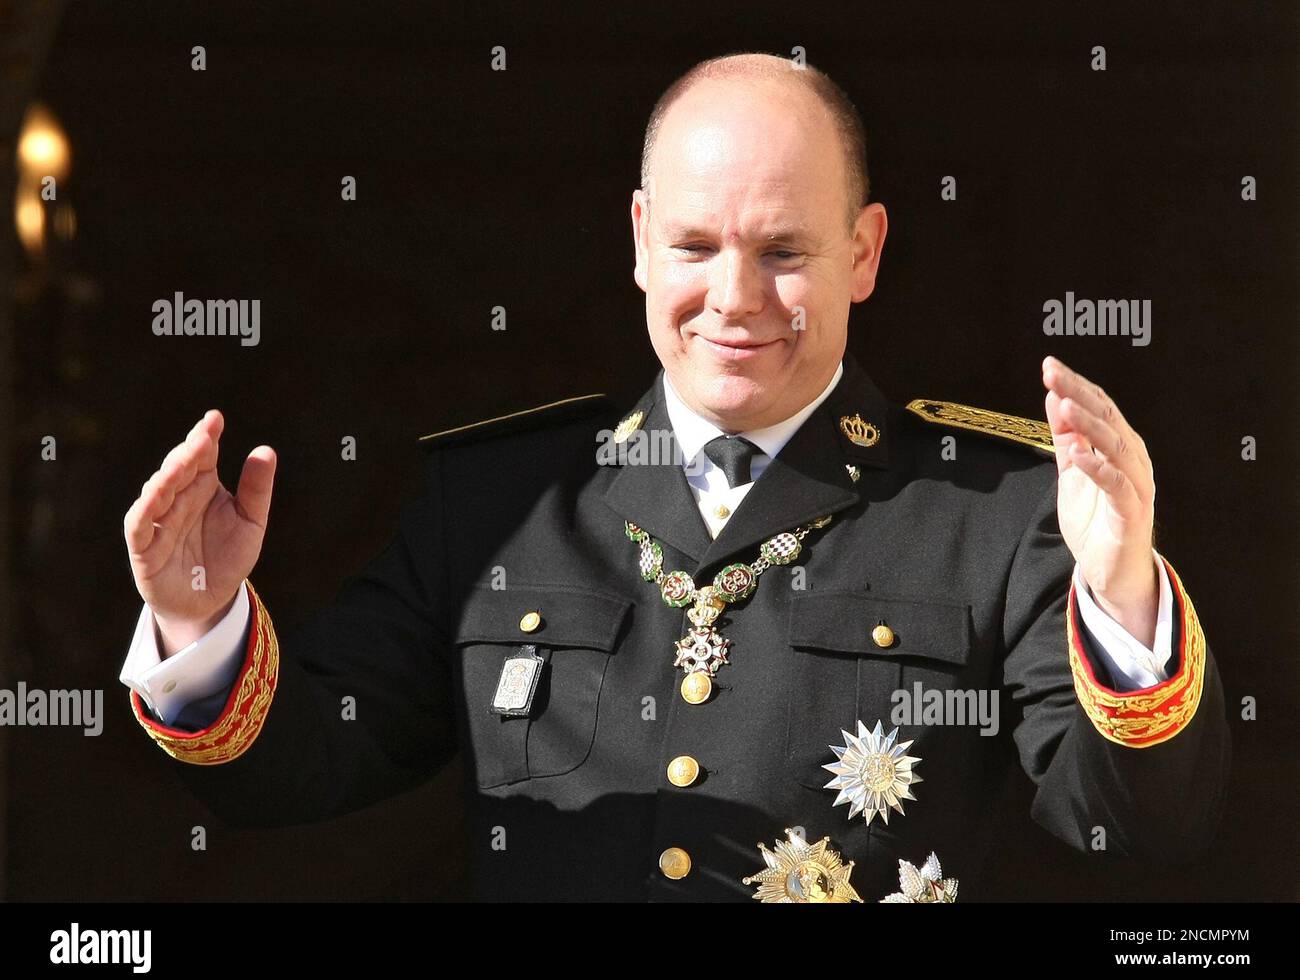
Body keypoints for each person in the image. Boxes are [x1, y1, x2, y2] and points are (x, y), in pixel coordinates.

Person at [119, 52, 1230, 903]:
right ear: (642, 240)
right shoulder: (499, 501)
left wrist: (1125, 595)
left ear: (865, 250)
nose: (734, 297)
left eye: (783, 252)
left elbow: (1134, 825)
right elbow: (304, 768)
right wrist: (200, 619)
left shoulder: (995, 514)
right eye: (696, 247)